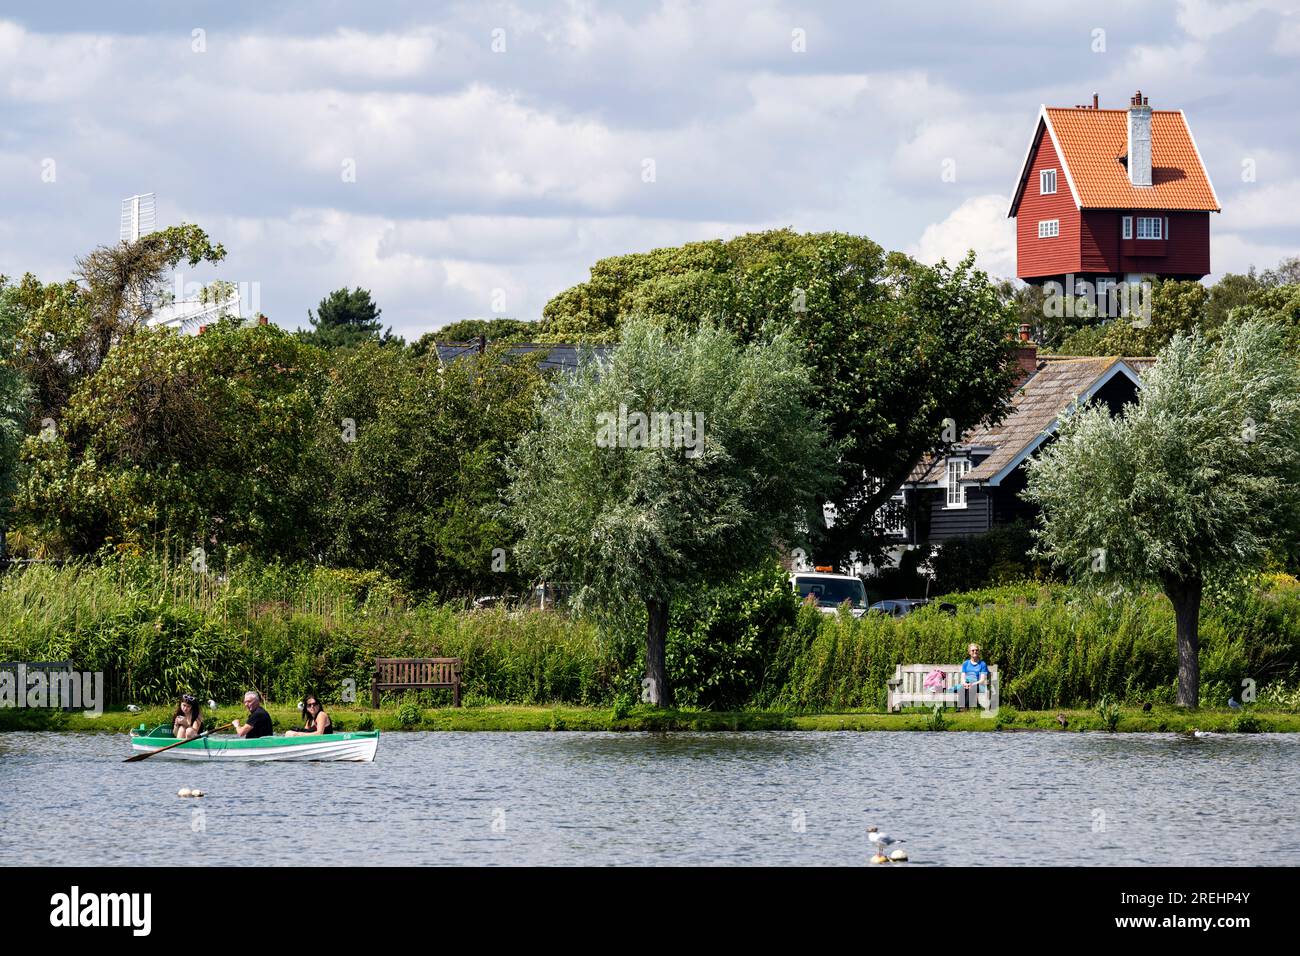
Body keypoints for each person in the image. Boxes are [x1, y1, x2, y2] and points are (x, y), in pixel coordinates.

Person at [956, 643, 989, 710]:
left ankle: (965, 707)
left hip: (978, 684)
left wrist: (973, 684)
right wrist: (964, 683)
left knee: (971, 687)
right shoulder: (966, 663)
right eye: (973, 650)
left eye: (976, 650)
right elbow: (963, 677)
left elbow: (982, 679)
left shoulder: (982, 664)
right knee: (962, 688)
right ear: (969, 652)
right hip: (967, 683)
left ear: (978, 651)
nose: (975, 652)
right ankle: (961, 707)